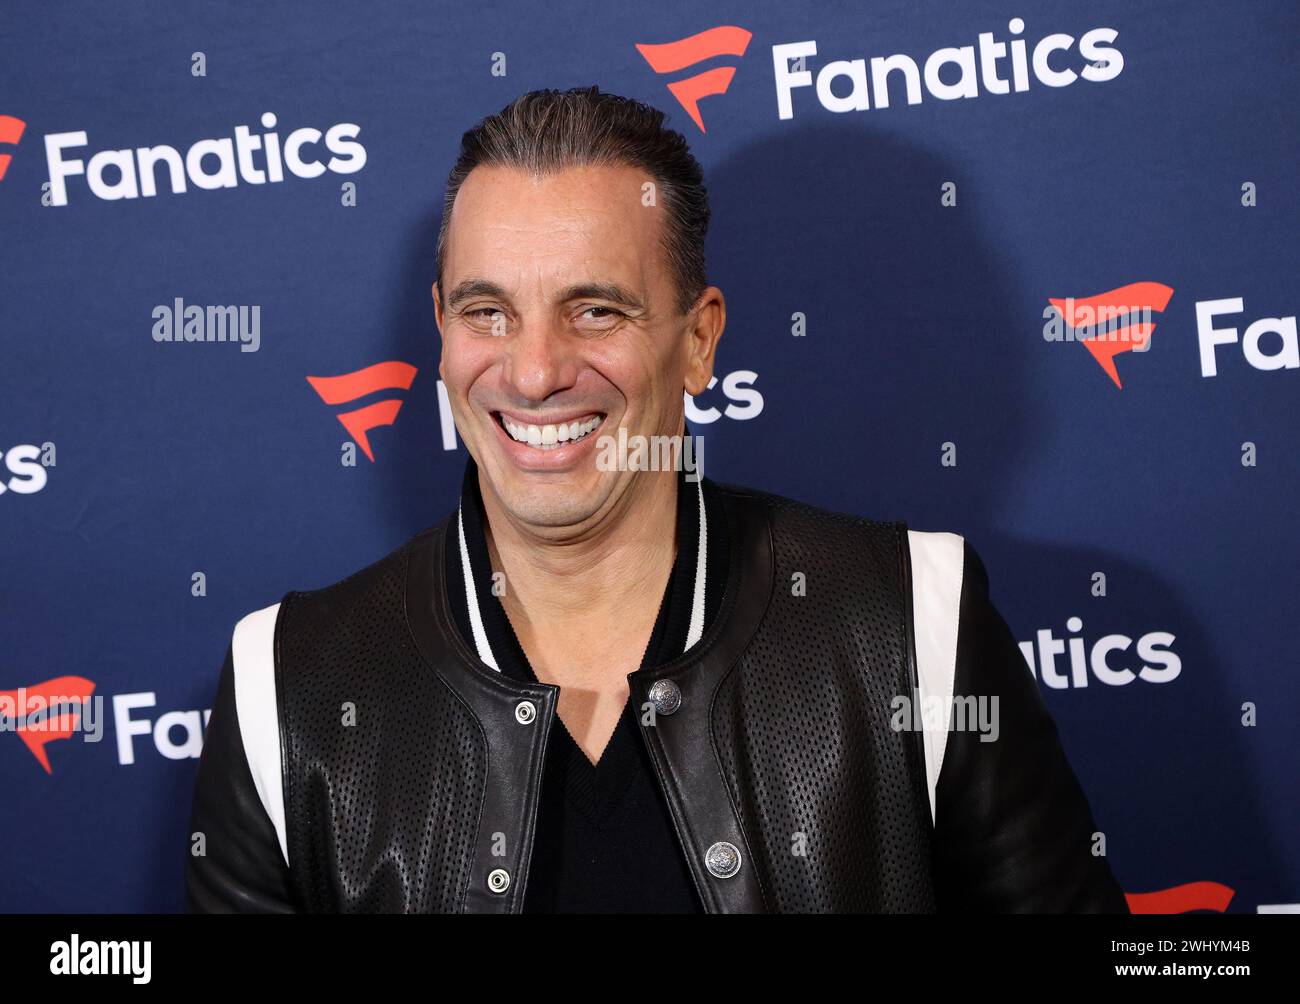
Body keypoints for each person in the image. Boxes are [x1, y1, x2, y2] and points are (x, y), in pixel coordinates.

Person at [185, 86, 1128, 913]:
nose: (536, 370)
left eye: (595, 309)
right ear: (440, 330)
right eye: (487, 312)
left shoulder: (910, 619)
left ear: (699, 341)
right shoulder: (290, 686)